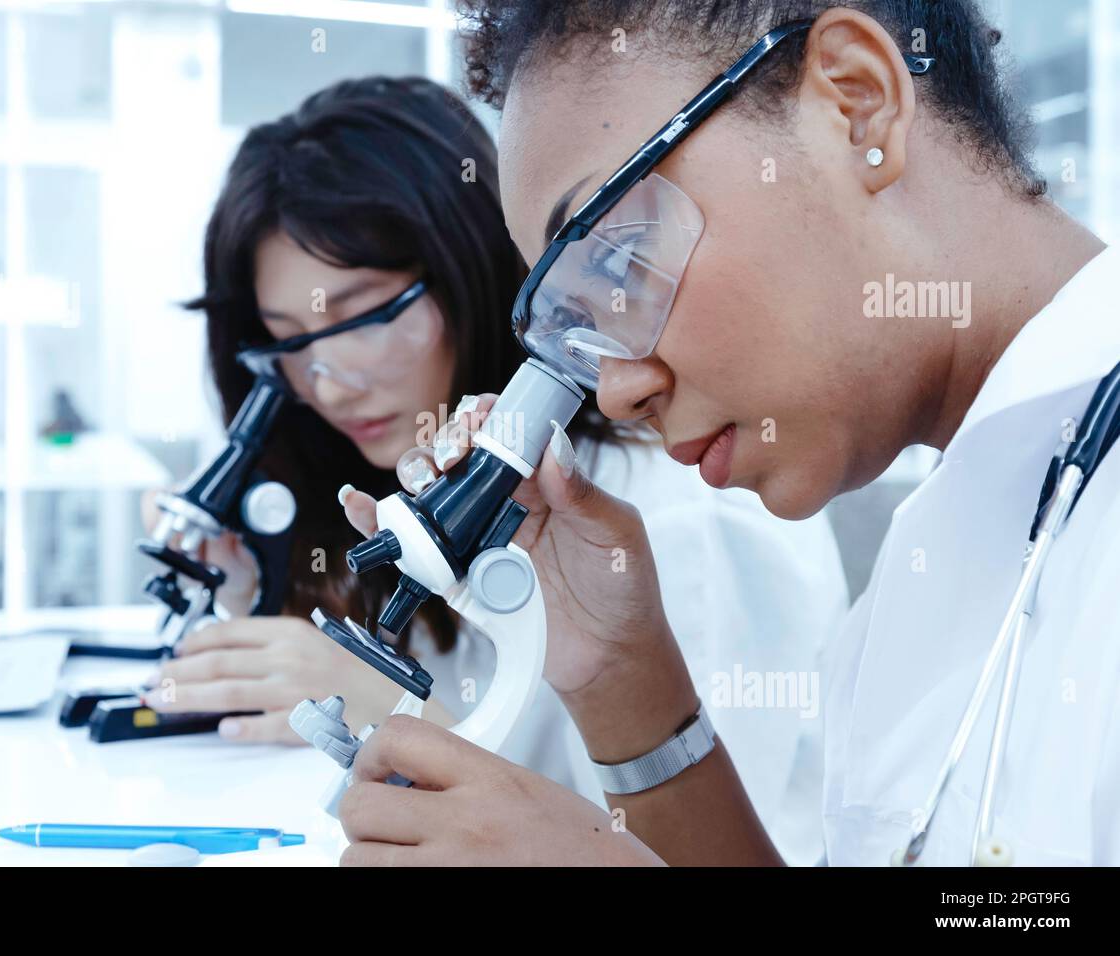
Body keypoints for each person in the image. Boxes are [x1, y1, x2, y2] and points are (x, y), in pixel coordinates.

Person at [334, 0, 1120, 866]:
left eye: (620, 261)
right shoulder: (934, 561)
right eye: (575, 320)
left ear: (857, 104)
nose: (617, 389)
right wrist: (622, 677)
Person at [149, 75, 847, 862]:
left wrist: (398, 717)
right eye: (289, 341)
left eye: (365, 316)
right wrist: (252, 590)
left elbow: (693, 852)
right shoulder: (446, 487)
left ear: (471, 269)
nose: (329, 379)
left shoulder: (687, 510)